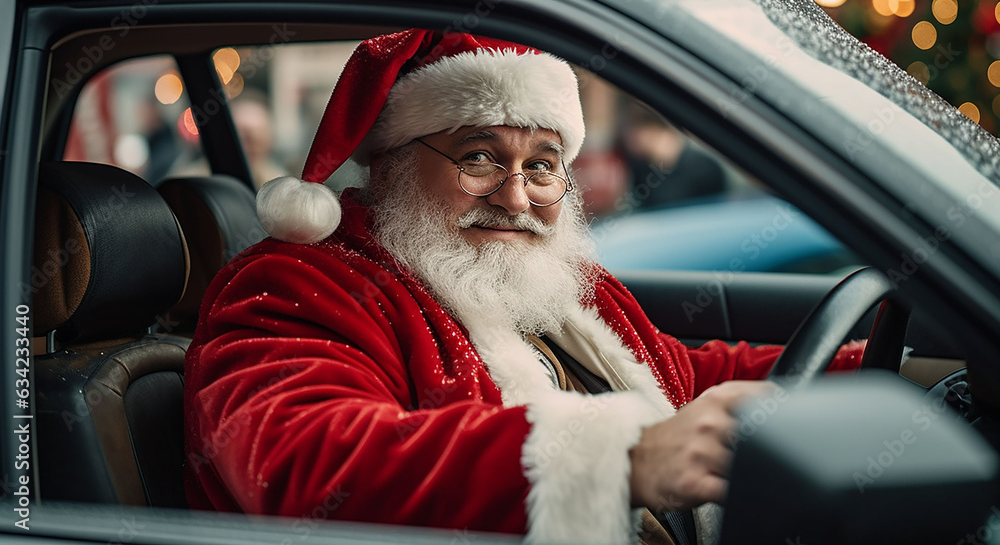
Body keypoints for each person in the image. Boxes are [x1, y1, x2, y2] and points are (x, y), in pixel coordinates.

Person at [183, 29, 864, 544]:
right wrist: (620, 459)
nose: (515, 196)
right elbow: (312, 464)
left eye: (542, 166)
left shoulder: (561, 291)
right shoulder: (292, 285)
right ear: (389, 165)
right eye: (478, 156)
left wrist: (877, 374)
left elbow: (690, 377)